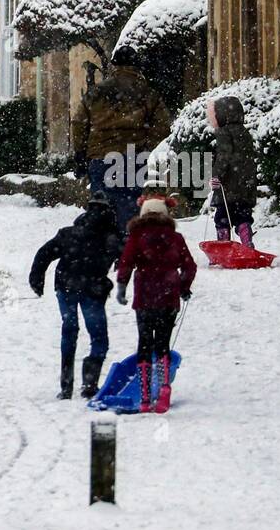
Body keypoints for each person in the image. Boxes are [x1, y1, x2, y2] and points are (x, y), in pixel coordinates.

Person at [29, 193, 122, 400]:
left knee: (69, 332)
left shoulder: (68, 233)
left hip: (66, 286)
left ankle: (66, 385)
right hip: (93, 289)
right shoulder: (112, 236)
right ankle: (89, 383)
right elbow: (131, 257)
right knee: (98, 337)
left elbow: (44, 253)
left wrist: (37, 279)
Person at [70, 53, 172, 235]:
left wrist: (80, 153)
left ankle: (102, 247)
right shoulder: (148, 93)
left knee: (101, 207)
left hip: (101, 157)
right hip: (134, 157)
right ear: (137, 66)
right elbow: (162, 126)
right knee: (130, 206)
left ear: (114, 65)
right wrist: (147, 146)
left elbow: (79, 123)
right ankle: (126, 249)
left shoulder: (97, 92)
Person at [116, 197, 197, 414]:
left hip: (144, 297)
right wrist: (183, 286)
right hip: (169, 297)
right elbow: (189, 266)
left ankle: (144, 397)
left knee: (144, 343)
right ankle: (163, 390)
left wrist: (122, 286)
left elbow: (126, 262)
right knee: (162, 343)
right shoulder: (175, 237)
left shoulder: (136, 236)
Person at [207, 95, 258, 245]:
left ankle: (223, 245)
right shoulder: (244, 133)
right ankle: (246, 240)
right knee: (242, 215)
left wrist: (217, 175)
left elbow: (224, 156)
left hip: (228, 184)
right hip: (245, 184)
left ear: (221, 115)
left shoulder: (223, 133)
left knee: (222, 217)